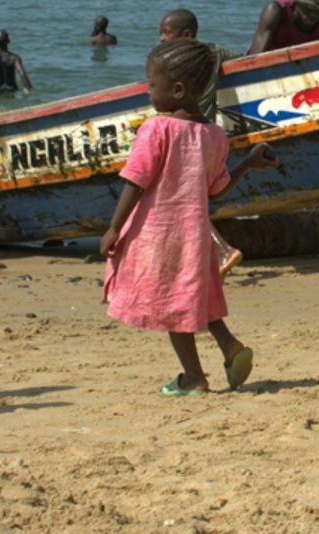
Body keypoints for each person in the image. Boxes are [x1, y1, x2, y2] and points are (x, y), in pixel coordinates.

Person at [100, 39, 279, 395]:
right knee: (193, 295)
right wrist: (247, 163)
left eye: (152, 84)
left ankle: (193, 377)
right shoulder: (214, 136)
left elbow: (136, 181)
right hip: (195, 235)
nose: (148, 91)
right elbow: (216, 190)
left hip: (159, 234)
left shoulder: (157, 129)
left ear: (177, 90)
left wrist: (113, 228)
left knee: (172, 304)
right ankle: (230, 347)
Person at [158, 8, 247, 276]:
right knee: (194, 197)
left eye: (166, 32)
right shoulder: (215, 52)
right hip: (208, 135)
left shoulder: (174, 63)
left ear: (186, 35)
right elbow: (246, 61)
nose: (161, 38)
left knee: (183, 199)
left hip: (187, 137)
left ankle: (222, 252)